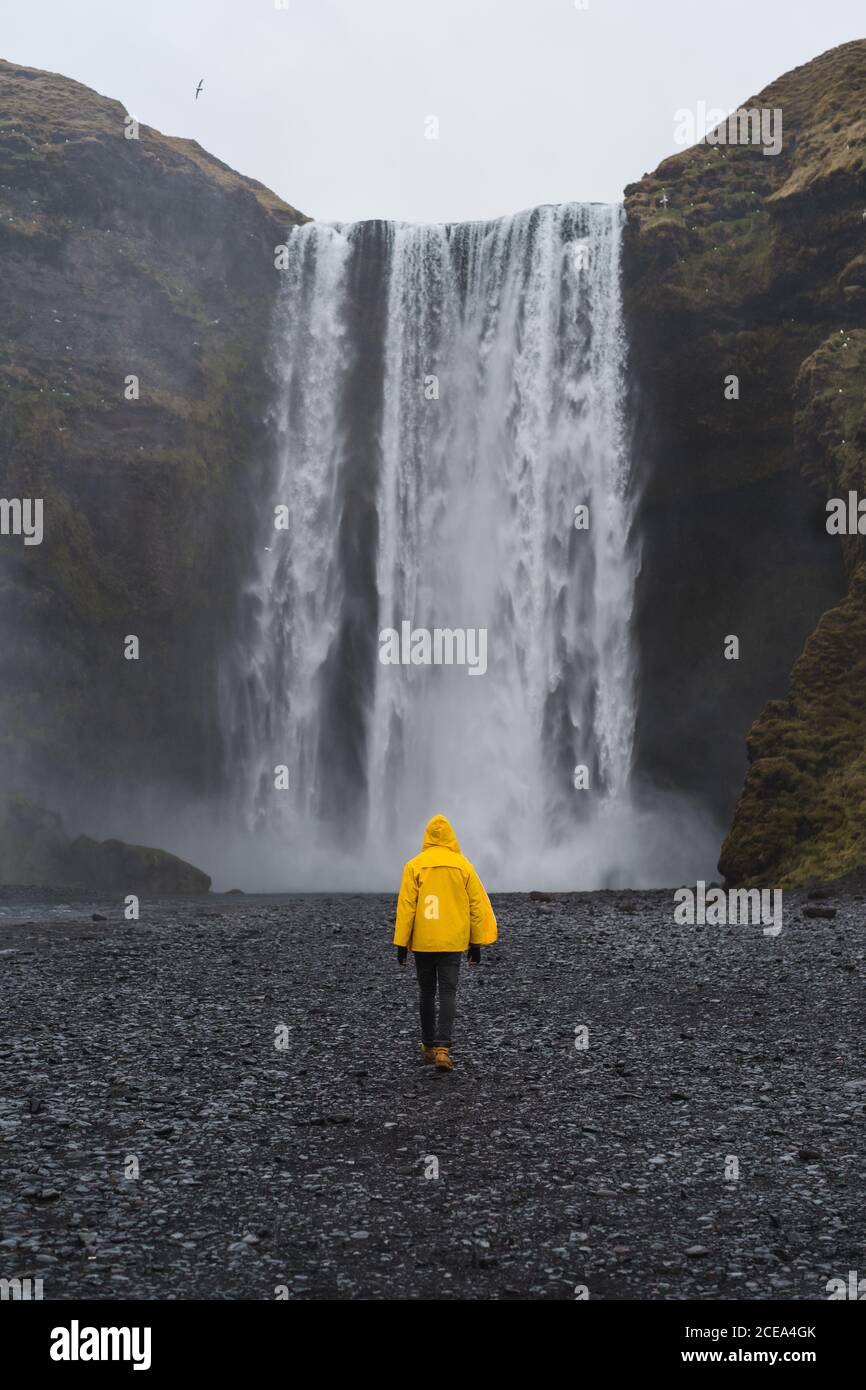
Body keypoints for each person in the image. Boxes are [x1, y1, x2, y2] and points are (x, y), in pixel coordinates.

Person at [393, 813, 497, 1071]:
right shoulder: (463, 865)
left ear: (427, 837)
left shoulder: (414, 866)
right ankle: (443, 1050)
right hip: (452, 941)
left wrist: (401, 945)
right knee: (448, 992)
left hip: (424, 941)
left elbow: (406, 908)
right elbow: (475, 906)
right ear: (451, 837)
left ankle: (428, 1046)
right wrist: (476, 942)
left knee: (427, 992)